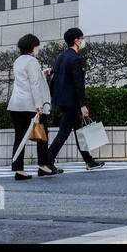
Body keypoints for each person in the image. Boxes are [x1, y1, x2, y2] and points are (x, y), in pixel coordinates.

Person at [44, 28, 105, 172]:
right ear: (76, 41)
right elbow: (78, 84)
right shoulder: (75, 58)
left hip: (62, 100)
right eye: (82, 38)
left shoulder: (62, 56)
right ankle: (47, 162)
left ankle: (89, 161)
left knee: (79, 132)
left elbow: (56, 74)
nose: (83, 41)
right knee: (64, 133)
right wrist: (82, 105)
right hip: (71, 102)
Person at [7, 34, 55, 179]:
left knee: (19, 137)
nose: (38, 49)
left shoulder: (17, 61)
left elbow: (25, 80)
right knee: (42, 135)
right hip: (30, 106)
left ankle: (18, 169)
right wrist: (39, 106)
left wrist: (42, 73)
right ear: (32, 47)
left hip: (16, 105)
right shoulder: (32, 61)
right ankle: (43, 166)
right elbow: (34, 85)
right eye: (37, 46)